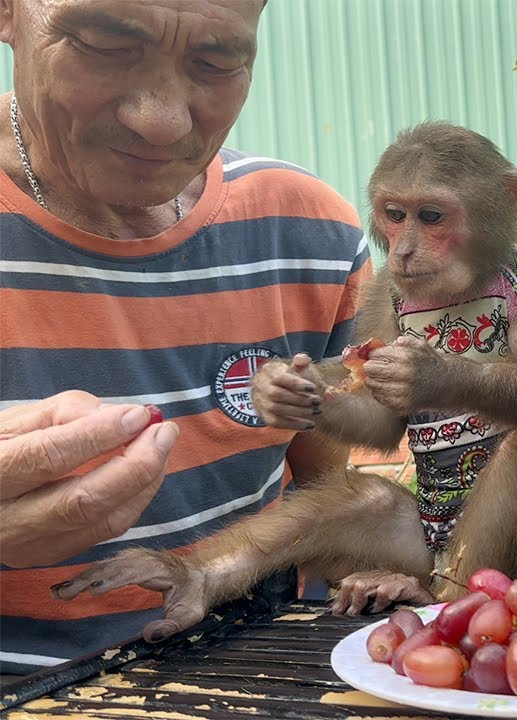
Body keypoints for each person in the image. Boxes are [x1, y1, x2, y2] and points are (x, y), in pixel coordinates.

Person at [0, 0, 369, 678]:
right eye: (105, 44)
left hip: (259, 665)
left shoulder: (306, 234)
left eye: (216, 61)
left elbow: (329, 496)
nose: (161, 119)